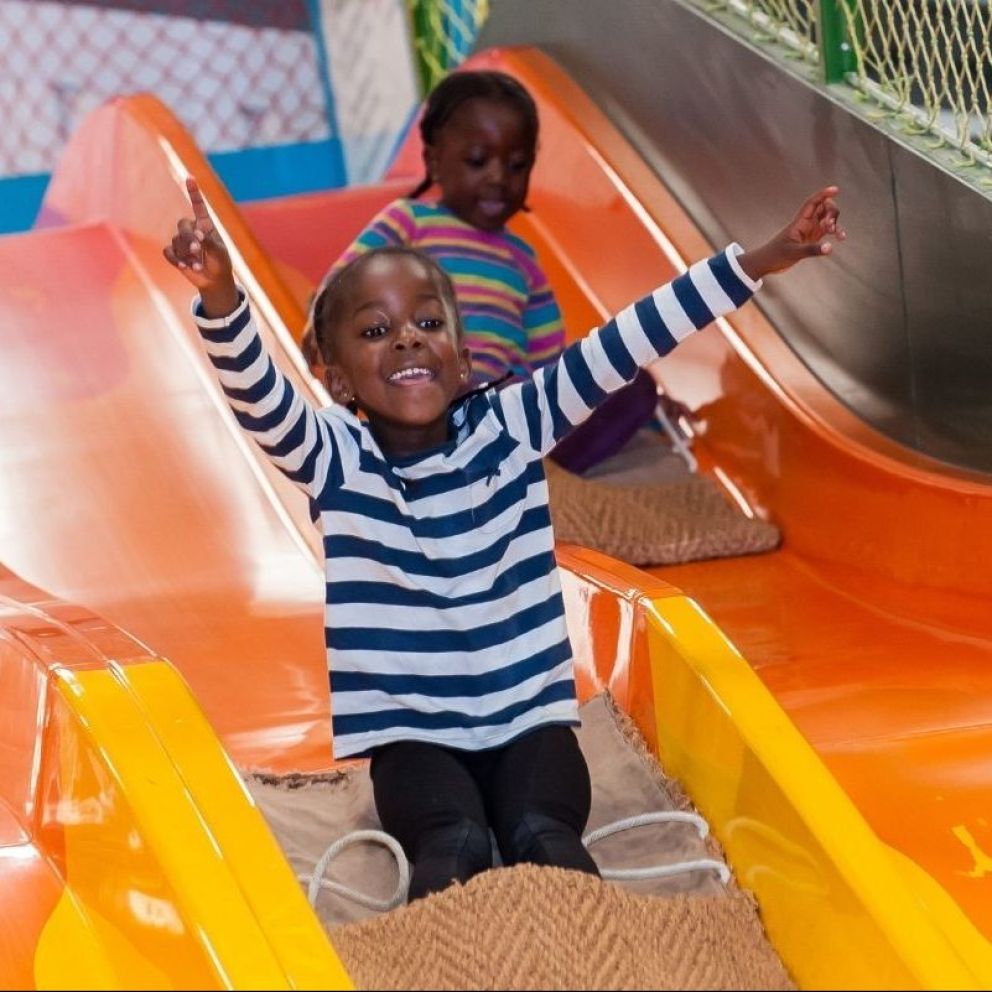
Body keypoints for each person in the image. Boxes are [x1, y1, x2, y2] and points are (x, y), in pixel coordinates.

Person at [164, 176, 842, 902]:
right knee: (450, 837)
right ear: (337, 383)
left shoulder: (515, 424)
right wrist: (222, 298)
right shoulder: (334, 459)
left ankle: (583, 950)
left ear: (461, 356)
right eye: (374, 331)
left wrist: (761, 260)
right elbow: (259, 395)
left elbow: (631, 336)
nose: (407, 339)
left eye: (428, 323)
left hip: (529, 721)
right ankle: (461, 950)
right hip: (414, 740)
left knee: (542, 831)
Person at [304, 69, 661, 475]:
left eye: (516, 165)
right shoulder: (410, 222)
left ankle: (526, 466)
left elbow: (550, 363)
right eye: (478, 161)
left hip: (502, 416)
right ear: (435, 162)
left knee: (633, 385)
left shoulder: (523, 261)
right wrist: (322, 330)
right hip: (419, 389)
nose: (498, 177)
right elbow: (342, 286)